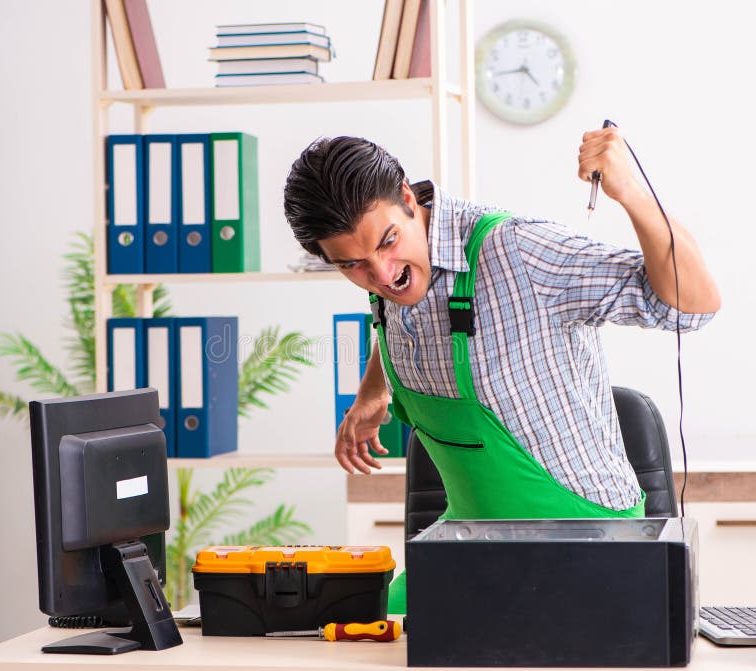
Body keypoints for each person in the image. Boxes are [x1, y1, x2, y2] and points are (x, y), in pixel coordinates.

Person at [283, 129, 720, 613]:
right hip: (468, 549)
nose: (384, 274)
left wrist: (633, 192)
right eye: (354, 265)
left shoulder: (516, 252)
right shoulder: (387, 276)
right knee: (358, 631)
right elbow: (393, 318)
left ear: (408, 199)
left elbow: (692, 306)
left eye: (388, 243)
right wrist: (372, 390)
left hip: (594, 546)